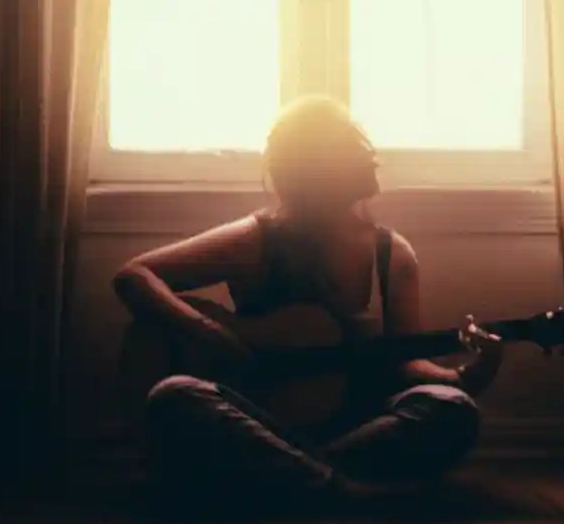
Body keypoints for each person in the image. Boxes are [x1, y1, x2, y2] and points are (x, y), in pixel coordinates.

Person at [112, 96, 503, 499]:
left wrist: (461, 377)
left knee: (451, 408)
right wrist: (207, 331)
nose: (371, 156)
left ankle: (291, 478)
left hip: (354, 427)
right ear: (315, 165)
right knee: (173, 398)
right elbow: (133, 275)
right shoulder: (257, 240)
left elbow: (406, 362)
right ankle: (335, 487)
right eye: (352, 145)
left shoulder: (391, 253)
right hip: (252, 419)